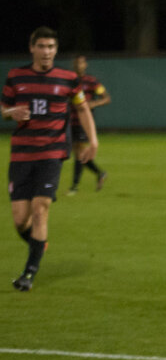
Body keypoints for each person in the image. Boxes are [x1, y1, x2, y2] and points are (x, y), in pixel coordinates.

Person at [1, 27, 99, 291]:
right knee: (20, 219)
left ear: (56, 50)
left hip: (52, 153)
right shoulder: (15, 76)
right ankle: (39, 244)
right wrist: (12, 112)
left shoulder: (68, 79)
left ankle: (29, 274)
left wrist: (93, 140)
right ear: (32, 48)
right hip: (21, 154)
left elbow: (82, 108)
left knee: (40, 208)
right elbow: (3, 109)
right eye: (42, 46)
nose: (46, 52)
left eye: (51, 47)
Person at [67, 55, 110, 194]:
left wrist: (93, 103)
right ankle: (99, 173)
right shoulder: (70, 80)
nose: (78, 65)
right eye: (76, 62)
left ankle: (74, 186)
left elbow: (106, 98)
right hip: (71, 120)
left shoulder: (91, 81)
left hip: (84, 121)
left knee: (79, 152)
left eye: (81, 62)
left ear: (85, 64)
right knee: (78, 153)